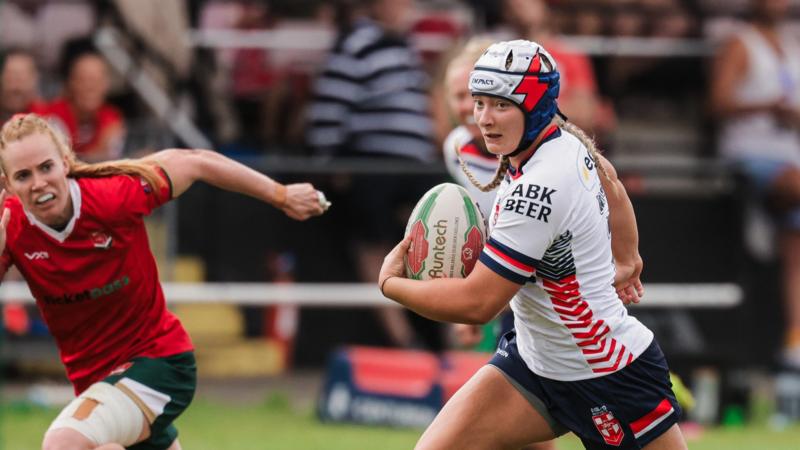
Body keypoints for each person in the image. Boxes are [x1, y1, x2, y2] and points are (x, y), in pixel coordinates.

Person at [379, 40, 685, 449]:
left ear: (537, 105)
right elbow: (610, 178)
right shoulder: (558, 141)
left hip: (606, 371)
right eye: (479, 102)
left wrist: (390, 284)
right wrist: (628, 257)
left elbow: (478, 303)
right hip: (534, 363)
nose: (485, 119)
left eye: (501, 105)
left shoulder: (539, 187)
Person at [0, 113, 326, 450]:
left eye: (46, 167)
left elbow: (195, 162)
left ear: (65, 163)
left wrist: (281, 194)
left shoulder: (113, 196)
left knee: (62, 443)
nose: (38, 183)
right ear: (8, 184)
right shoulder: (9, 225)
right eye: (23, 175)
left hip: (159, 362)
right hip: (99, 384)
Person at [307, 0, 441, 350]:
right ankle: (404, 340)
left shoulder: (402, 45)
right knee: (373, 243)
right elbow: (330, 106)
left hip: (412, 165)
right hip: (373, 163)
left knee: (443, 230)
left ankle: (447, 329)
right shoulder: (358, 43)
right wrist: (331, 164)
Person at [710, 0, 800, 370]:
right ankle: (760, 216)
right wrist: (767, 108)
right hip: (751, 155)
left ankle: (795, 337)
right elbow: (718, 102)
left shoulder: (792, 44)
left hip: (790, 154)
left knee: (796, 249)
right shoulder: (739, 43)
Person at [45, 49, 126, 162]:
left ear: (106, 85)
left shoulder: (111, 117)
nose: (90, 88)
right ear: (71, 83)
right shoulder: (51, 117)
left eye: (96, 81)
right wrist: (100, 152)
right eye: (83, 80)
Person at [0, 49, 47, 124]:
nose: (15, 87)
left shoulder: (48, 121)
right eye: (9, 78)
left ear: (34, 81)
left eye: (22, 79)